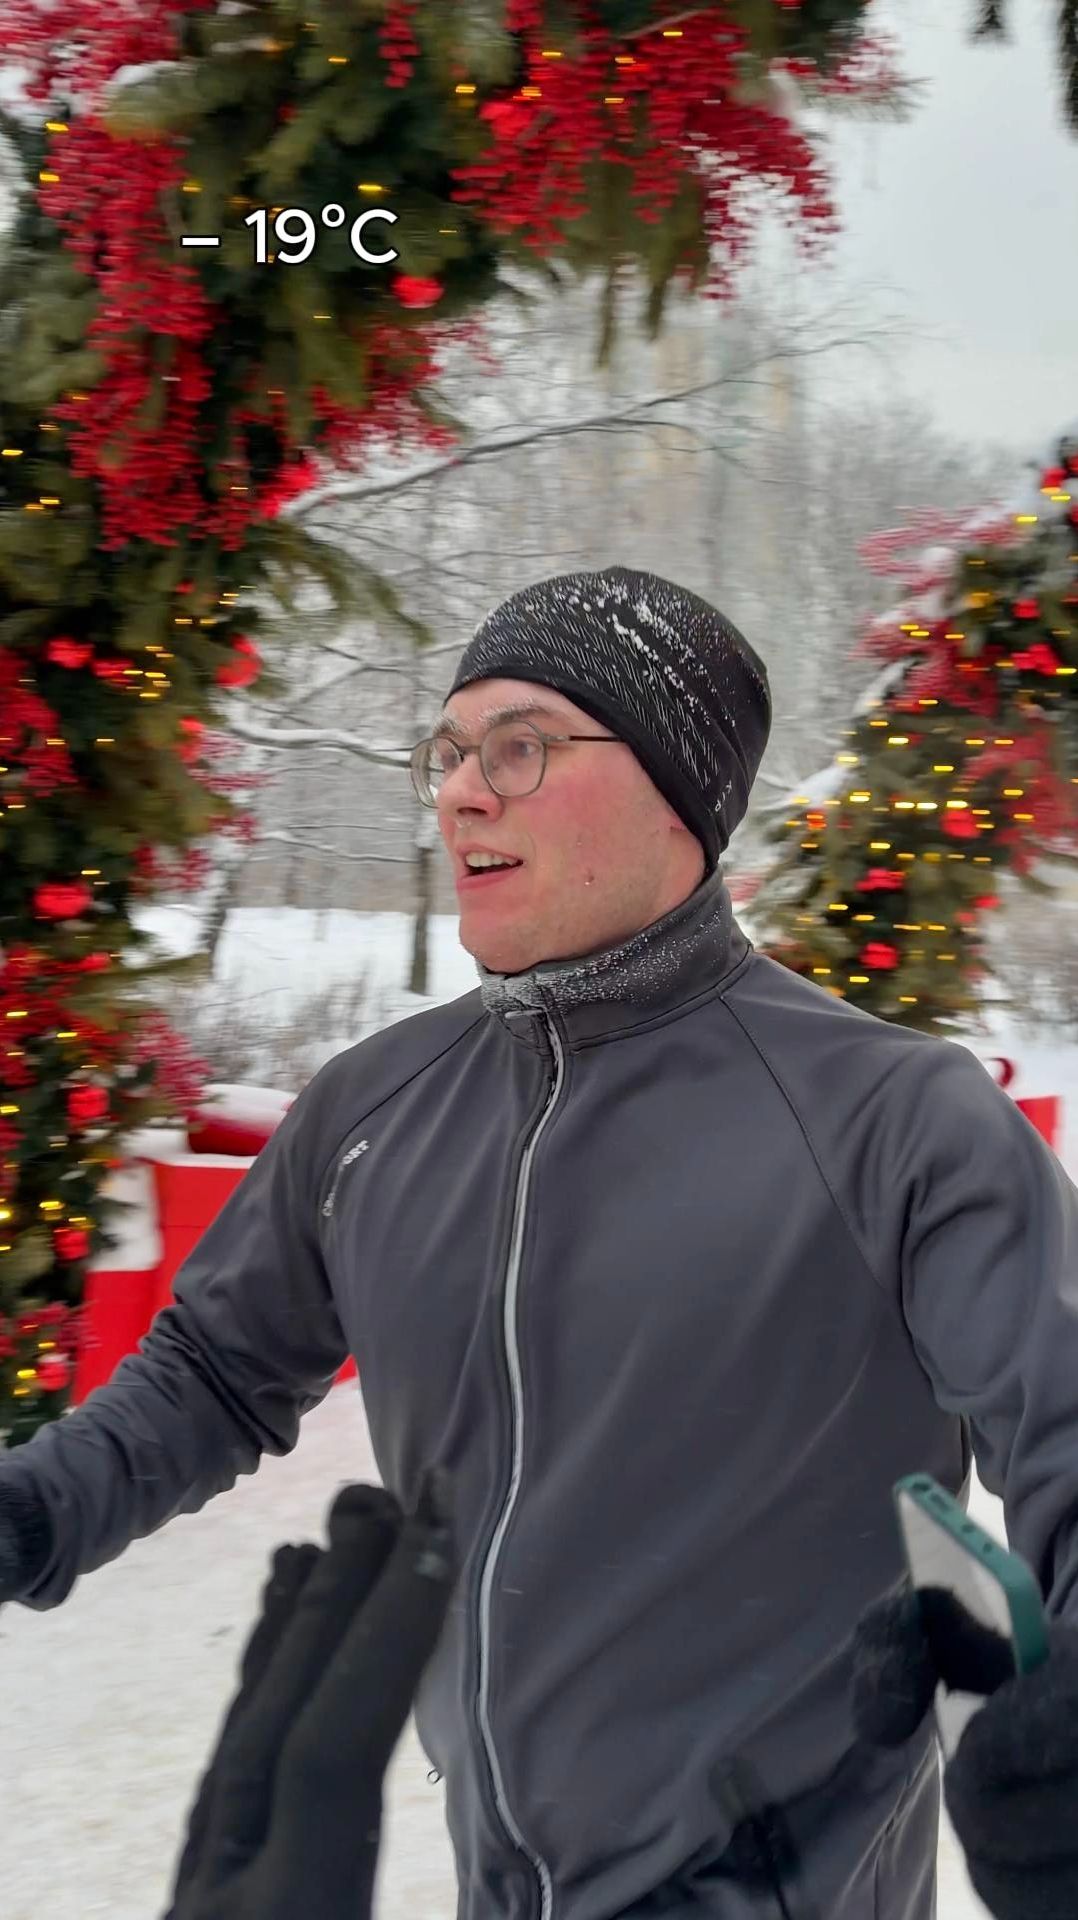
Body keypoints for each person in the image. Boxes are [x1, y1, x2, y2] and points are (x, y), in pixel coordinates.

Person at [2, 563, 1078, 1920]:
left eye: (518, 747)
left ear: (678, 793)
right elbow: (213, 1371)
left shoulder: (893, 1119)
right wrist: (28, 1516)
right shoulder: (372, 1108)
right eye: (448, 752)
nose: (460, 792)